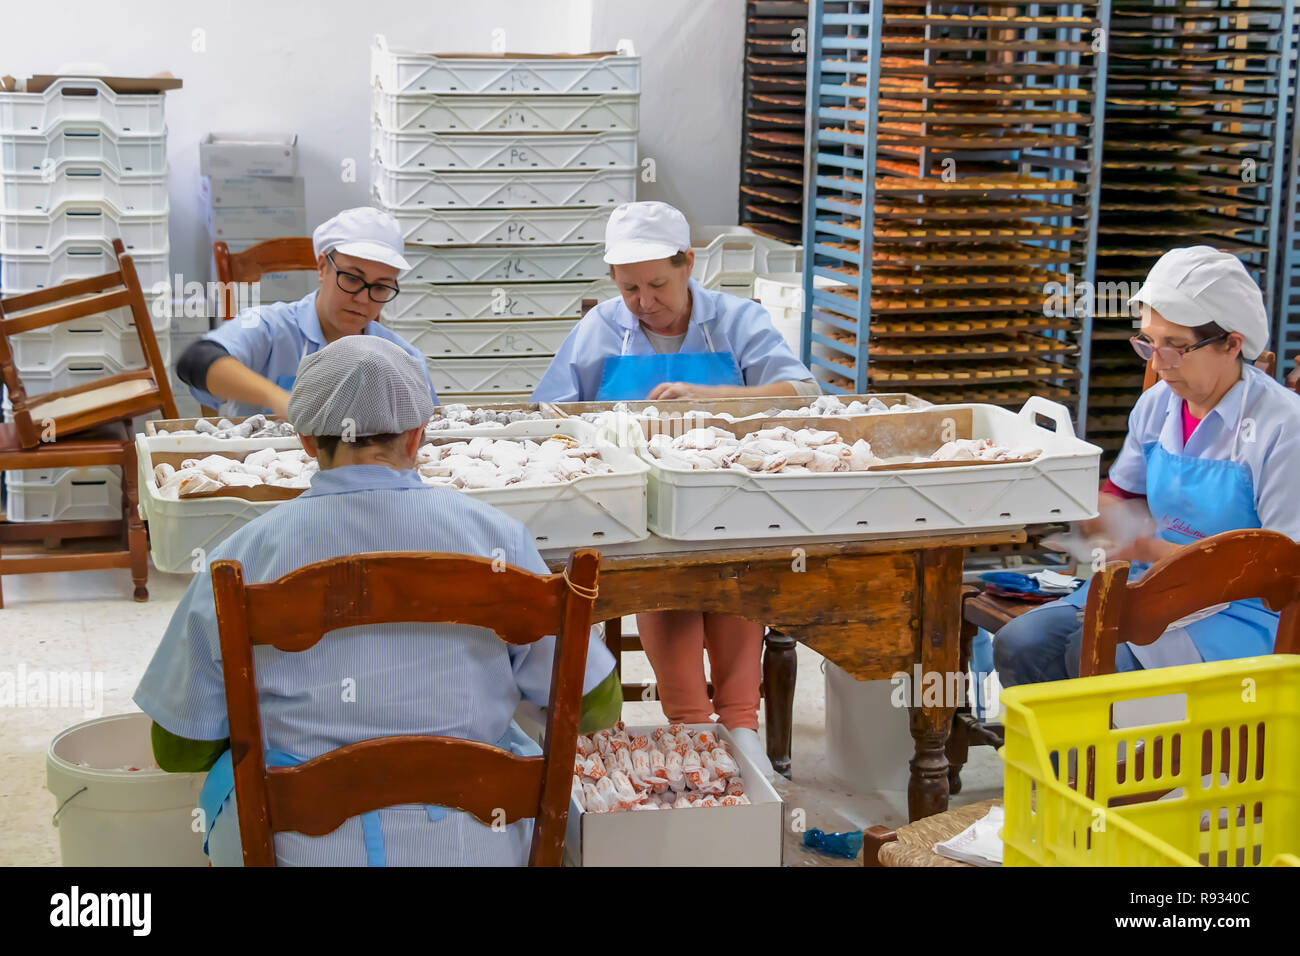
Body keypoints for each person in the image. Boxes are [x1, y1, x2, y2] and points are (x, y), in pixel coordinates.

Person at [135, 336, 621, 866]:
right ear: (418, 436)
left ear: (304, 439)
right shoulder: (497, 539)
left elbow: (178, 748)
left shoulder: (243, 556)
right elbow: (596, 707)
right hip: (472, 847)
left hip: (301, 849)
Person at [532, 201, 819, 775]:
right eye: (630, 288)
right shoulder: (600, 328)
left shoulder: (737, 321)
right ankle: (689, 724)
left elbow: (802, 394)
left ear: (689, 264)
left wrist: (715, 399)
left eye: (658, 284)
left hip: (730, 503)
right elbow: (550, 412)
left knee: (734, 575)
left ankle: (741, 727)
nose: (644, 302)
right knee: (663, 579)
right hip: (638, 510)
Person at [994, 246, 1300, 685]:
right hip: (1150, 584)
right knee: (1023, 644)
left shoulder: (1283, 427)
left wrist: (1147, 548)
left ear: (1232, 344)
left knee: (1097, 659)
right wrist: (1089, 506)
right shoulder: (1157, 406)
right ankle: (1061, 756)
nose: (1158, 364)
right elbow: (1124, 493)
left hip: (1242, 612)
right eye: (1149, 343)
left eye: (1176, 347)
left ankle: (1133, 754)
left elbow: (1281, 570)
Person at [177, 206, 436, 418]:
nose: (362, 299)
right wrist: (281, 401)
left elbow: (428, 430)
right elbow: (196, 361)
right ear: (322, 267)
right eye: (352, 279)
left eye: (380, 287)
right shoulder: (270, 328)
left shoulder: (403, 359)